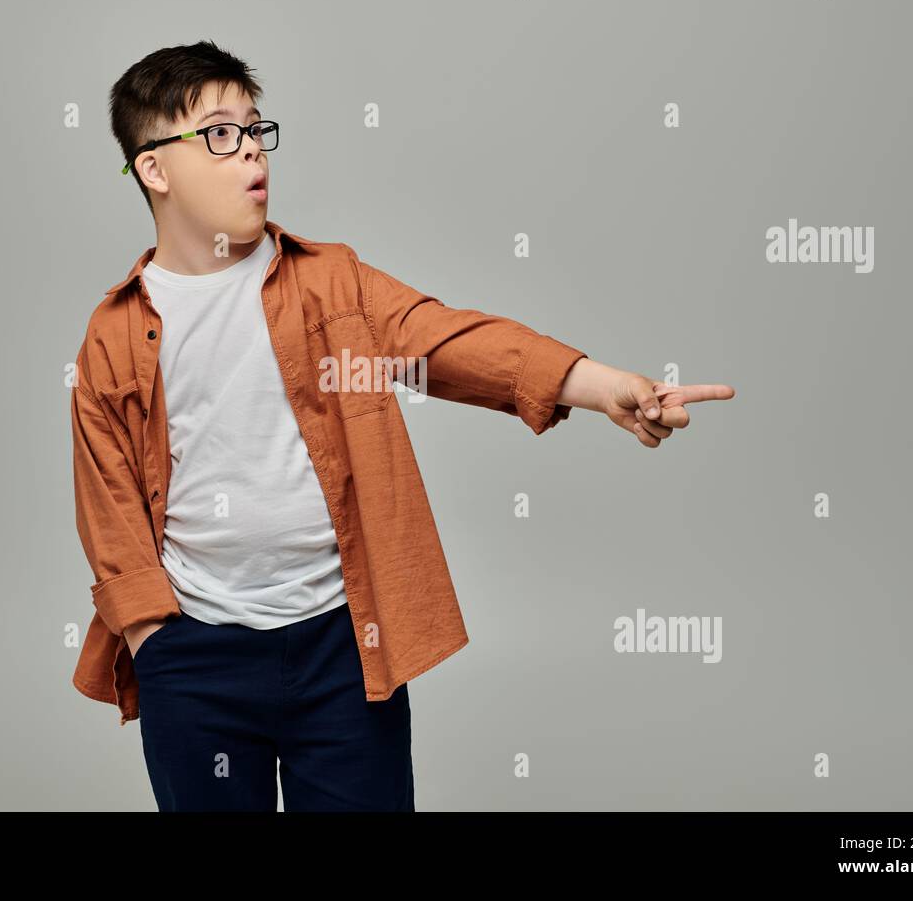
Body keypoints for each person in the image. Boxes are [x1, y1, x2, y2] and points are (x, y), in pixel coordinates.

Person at [69, 40, 735, 811]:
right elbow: (107, 506)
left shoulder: (331, 283)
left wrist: (604, 385)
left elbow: (447, 340)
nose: (252, 149)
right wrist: (157, 646)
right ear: (154, 168)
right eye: (220, 134)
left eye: (256, 128)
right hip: (196, 656)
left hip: (347, 648)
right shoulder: (114, 333)